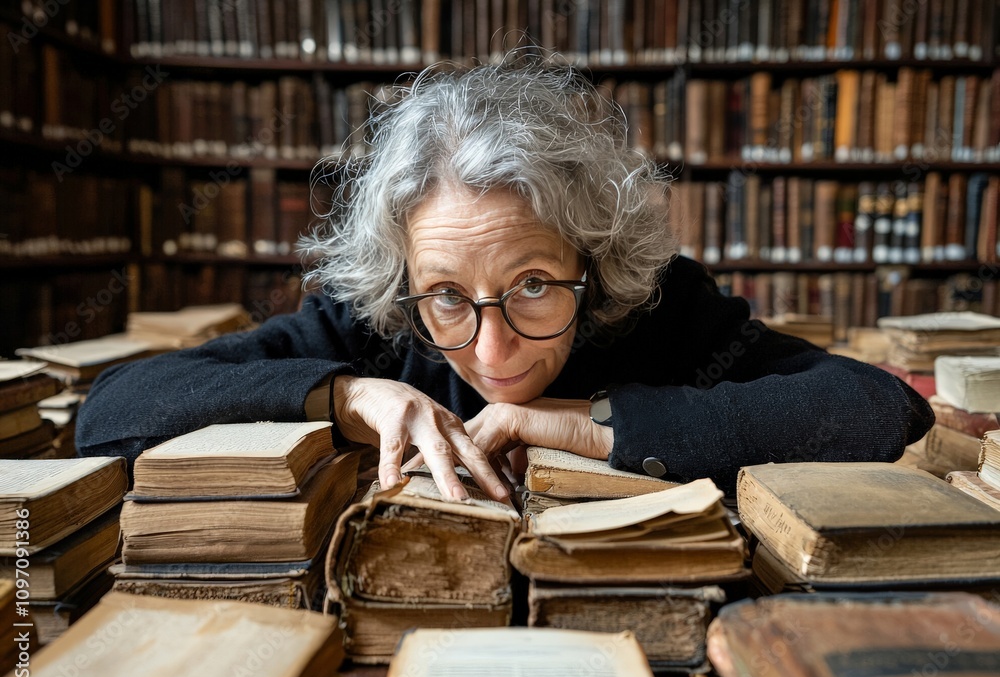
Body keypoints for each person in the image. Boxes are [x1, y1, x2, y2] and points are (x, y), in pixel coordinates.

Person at [76, 57, 934, 501]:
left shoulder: (662, 307)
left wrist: (593, 425)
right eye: (447, 294)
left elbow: (882, 408)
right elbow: (109, 413)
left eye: (531, 285)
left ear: (589, 265)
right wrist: (348, 396)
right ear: (403, 277)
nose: (491, 350)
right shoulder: (370, 323)